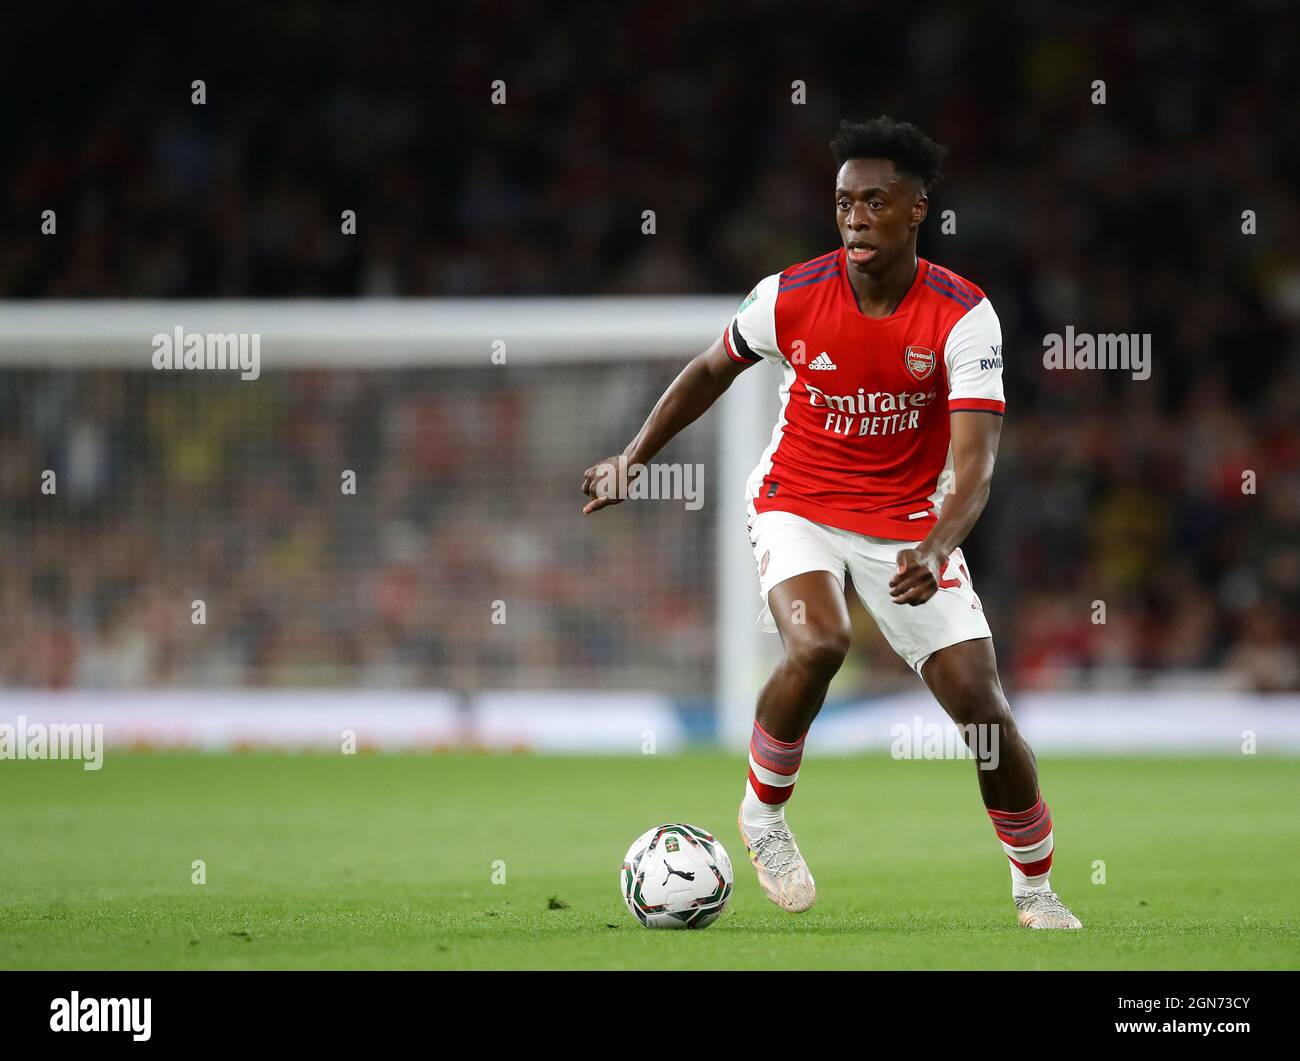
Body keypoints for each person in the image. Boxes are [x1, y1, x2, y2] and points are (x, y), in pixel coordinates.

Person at [582, 117, 1081, 929]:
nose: (853, 218)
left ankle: (1036, 887)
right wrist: (633, 456)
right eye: (844, 202)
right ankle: (763, 813)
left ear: (917, 209)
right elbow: (711, 368)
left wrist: (937, 542)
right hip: (798, 500)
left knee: (983, 711)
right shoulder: (789, 295)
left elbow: (978, 464)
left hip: (911, 525)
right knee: (819, 642)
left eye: (874, 202)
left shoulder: (963, 317)